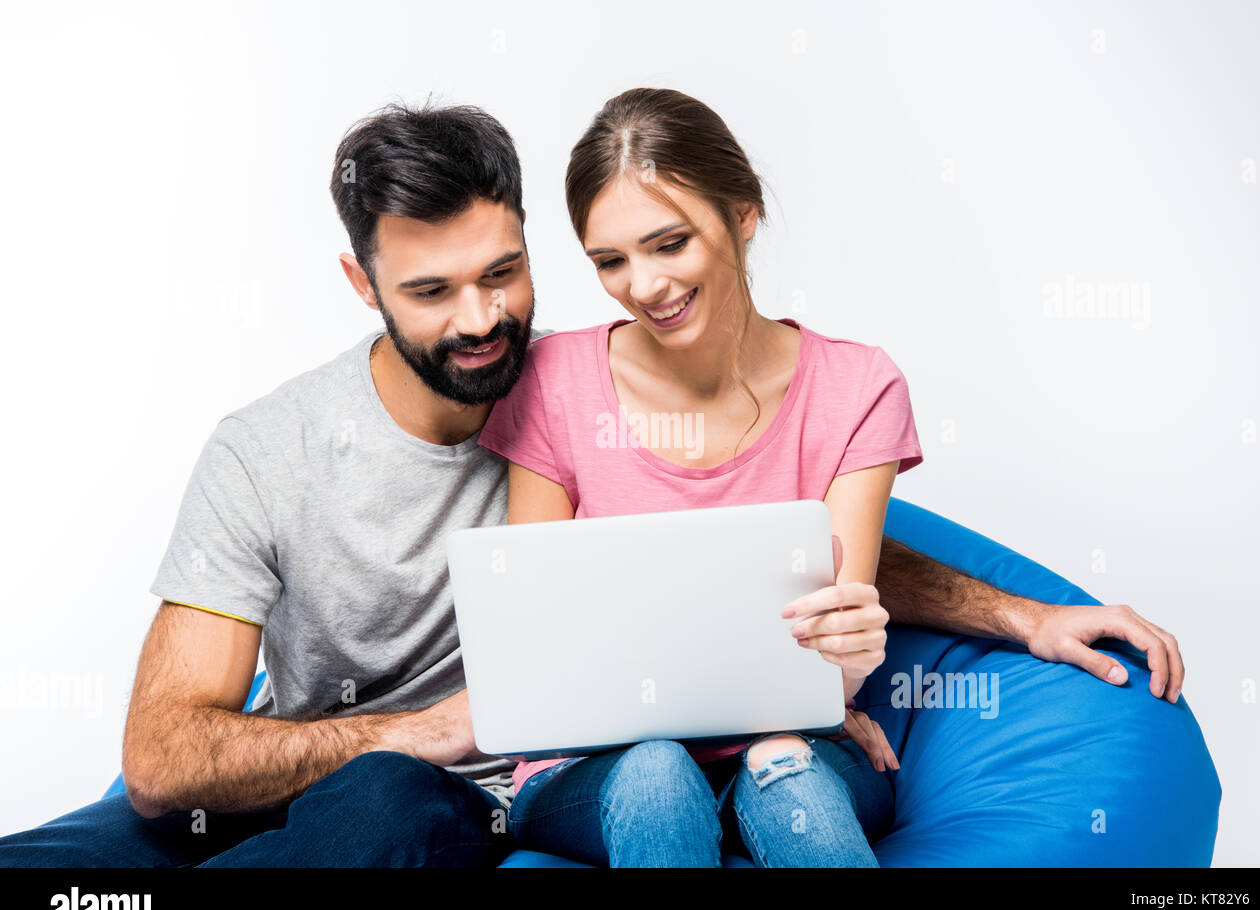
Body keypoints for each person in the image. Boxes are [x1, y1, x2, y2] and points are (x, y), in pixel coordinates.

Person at [0, 98, 1183, 868]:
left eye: (503, 274)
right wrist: (439, 727)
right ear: (361, 286)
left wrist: (1017, 616)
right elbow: (160, 765)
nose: (479, 321)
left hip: (584, 777)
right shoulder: (275, 452)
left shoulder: (574, 379)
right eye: (428, 292)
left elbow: (783, 550)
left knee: (743, 779)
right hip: (424, 785)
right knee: (373, 811)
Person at [475, 88, 1185, 868]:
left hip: (801, 741)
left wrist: (836, 669)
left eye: (669, 243)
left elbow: (834, 643)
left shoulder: (857, 388)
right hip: (598, 764)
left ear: (742, 213)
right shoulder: (553, 380)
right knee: (658, 771)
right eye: (610, 261)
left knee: (789, 771)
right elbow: (537, 643)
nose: (643, 286)